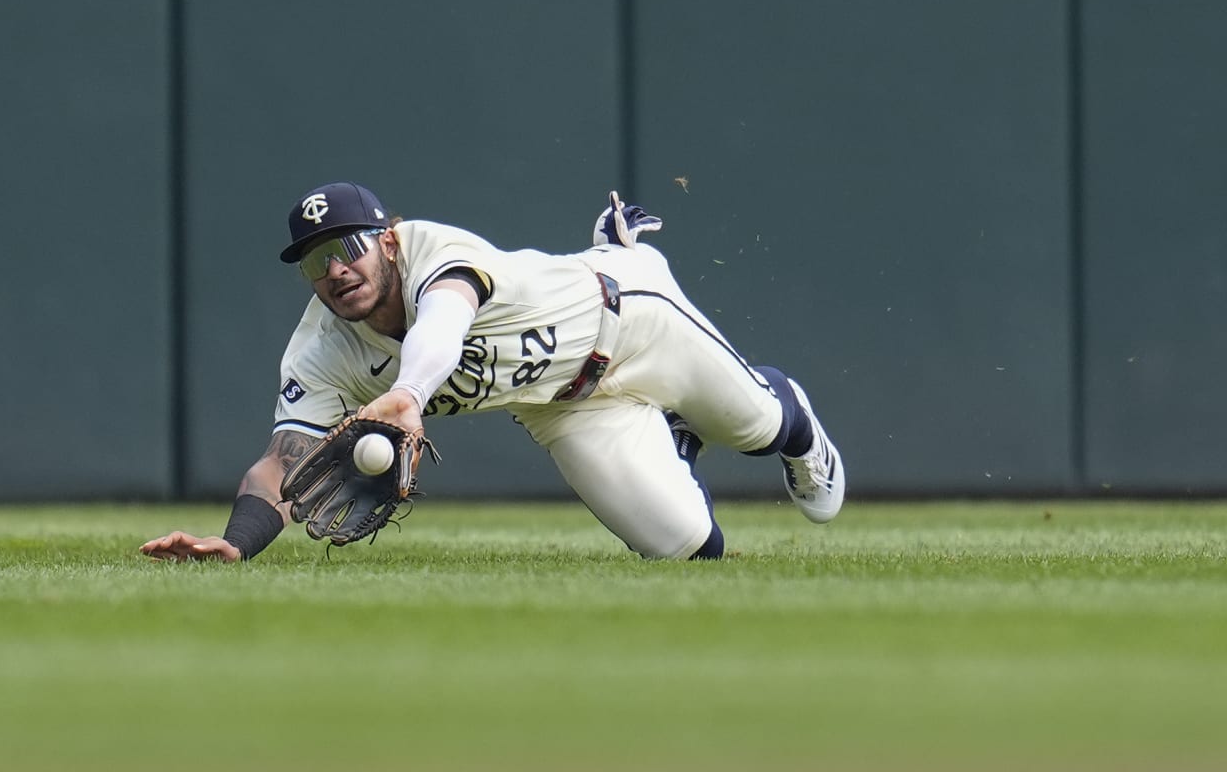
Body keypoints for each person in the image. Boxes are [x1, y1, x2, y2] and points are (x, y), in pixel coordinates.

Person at [141, 182, 844, 563]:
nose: (336, 270)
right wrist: (235, 540)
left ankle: (793, 415)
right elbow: (280, 465)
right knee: (690, 550)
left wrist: (408, 395)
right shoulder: (321, 351)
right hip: (565, 406)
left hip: (632, 318)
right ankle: (674, 437)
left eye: (347, 247)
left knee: (761, 429)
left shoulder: (431, 249)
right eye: (315, 263)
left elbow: (445, 319)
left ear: (388, 238)